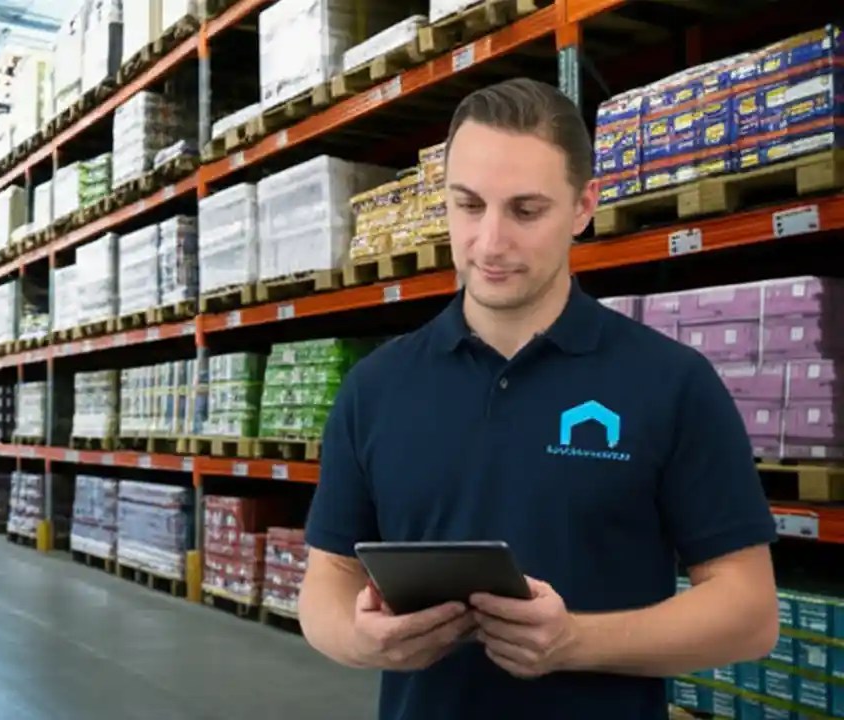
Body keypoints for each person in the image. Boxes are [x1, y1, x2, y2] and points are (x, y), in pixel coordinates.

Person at [297, 77, 781, 719]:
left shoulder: (672, 383)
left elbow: (750, 614)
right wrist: (363, 639)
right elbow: (325, 583)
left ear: (584, 207)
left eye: (526, 211)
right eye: (468, 206)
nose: (490, 243)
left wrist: (576, 641)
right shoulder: (376, 388)